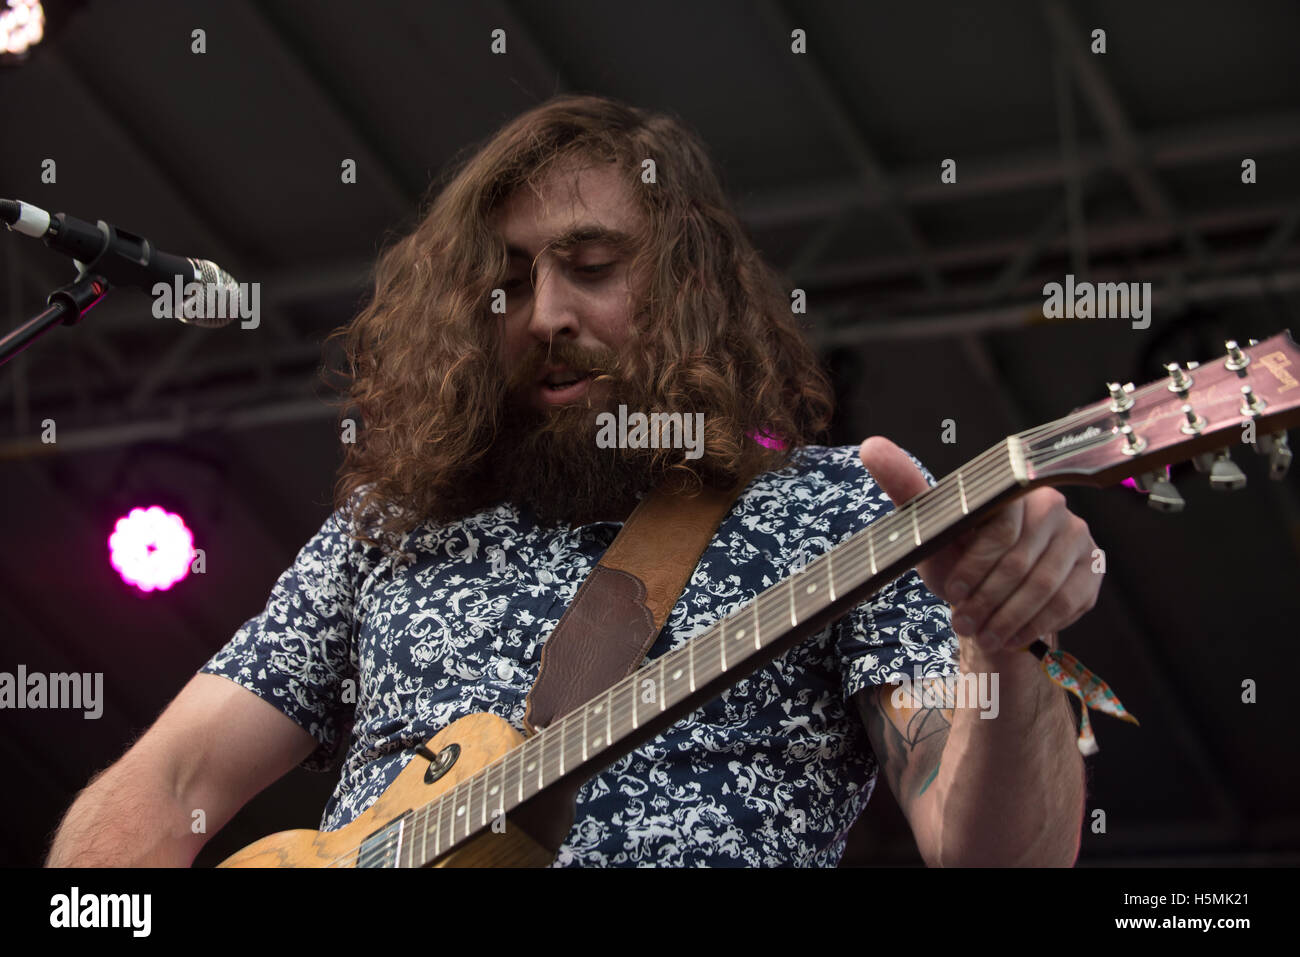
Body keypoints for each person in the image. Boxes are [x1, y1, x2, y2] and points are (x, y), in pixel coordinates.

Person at [46, 94, 1096, 868]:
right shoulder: (388, 532)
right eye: (505, 284)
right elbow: (171, 781)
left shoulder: (830, 512)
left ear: (687, 287)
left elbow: (998, 857)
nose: (543, 314)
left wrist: (1004, 649)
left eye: (590, 267)